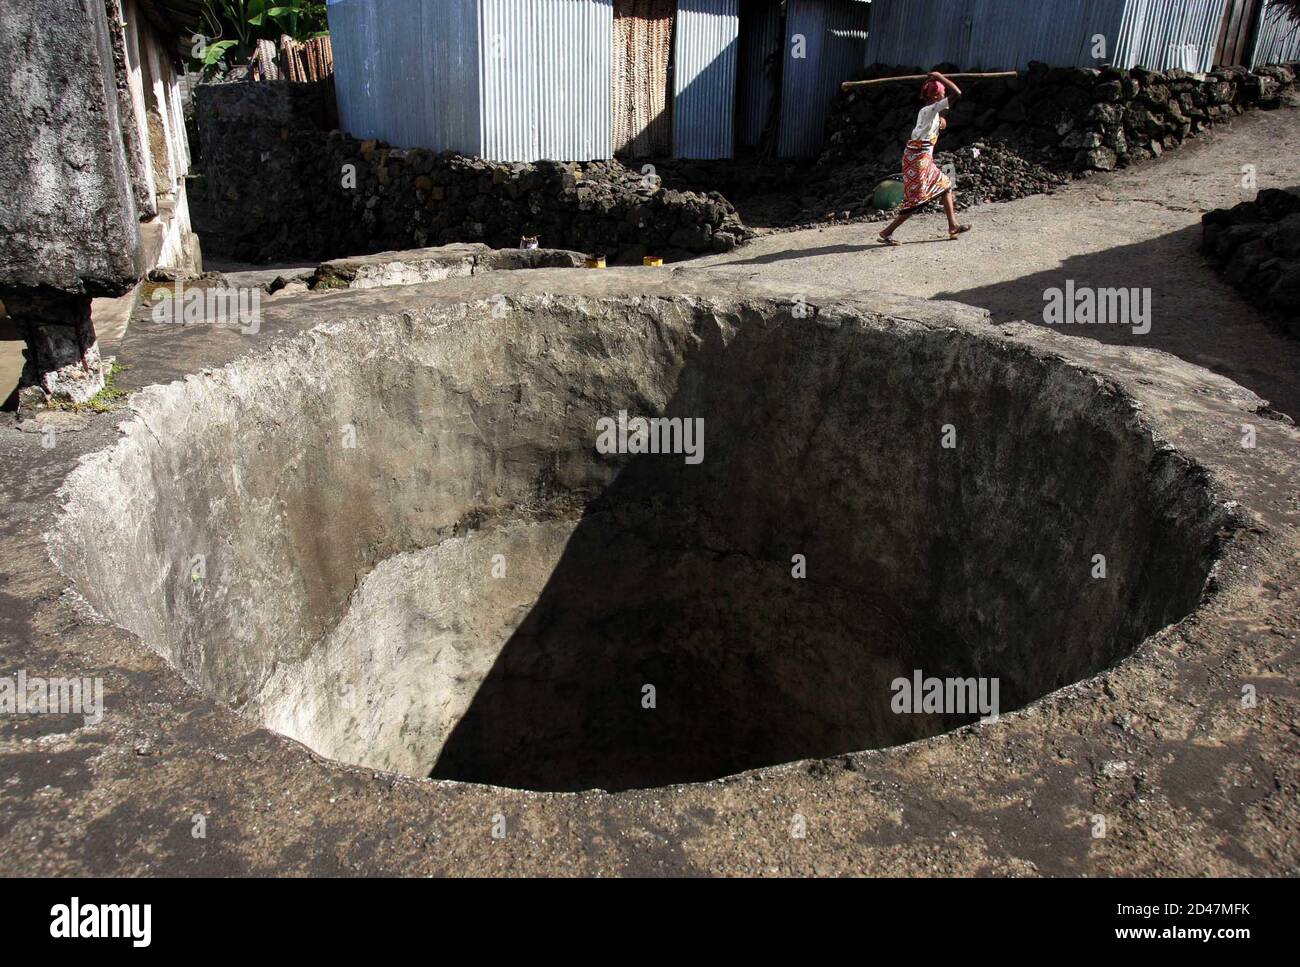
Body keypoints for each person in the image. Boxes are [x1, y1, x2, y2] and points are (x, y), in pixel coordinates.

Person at [878, 70, 972, 245]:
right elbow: (958, 93)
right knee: (917, 200)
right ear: (937, 97)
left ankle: (953, 226)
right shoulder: (930, 110)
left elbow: (938, 116)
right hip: (917, 160)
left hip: (920, 158)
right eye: (943, 94)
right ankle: (887, 232)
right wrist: (940, 77)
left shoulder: (928, 111)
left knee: (945, 184)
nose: (945, 96)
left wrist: (941, 121)